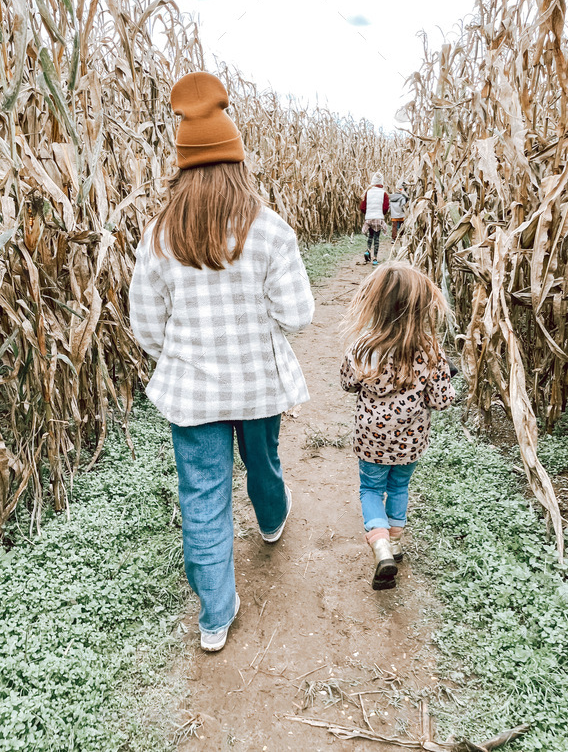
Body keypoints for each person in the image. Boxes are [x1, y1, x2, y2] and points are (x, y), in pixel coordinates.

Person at [129, 72, 314, 652]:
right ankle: (271, 519)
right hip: (257, 385)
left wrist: (183, 357)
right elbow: (299, 315)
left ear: (182, 167)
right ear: (237, 161)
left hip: (191, 396)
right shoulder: (269, 228)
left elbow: (145, 326)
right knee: (262, 460)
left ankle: (215, 618)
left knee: (202, 498)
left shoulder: (160, 234)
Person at [340, 262, 455, 590]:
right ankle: (396, 542)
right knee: (399, 488)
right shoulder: (432, 352)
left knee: (371, 489)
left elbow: (348, 383)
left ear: (374, 304)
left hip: (371, 440)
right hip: (410, 443)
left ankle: (380, 548)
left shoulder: (364, 347)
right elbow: (440, 400)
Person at [360, 172, 389, 265]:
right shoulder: (384, 193)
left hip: (369, 218)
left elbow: (362, 207)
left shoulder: (367, 192)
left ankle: (367, 250)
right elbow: (385, 208)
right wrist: (381, 214)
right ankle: (375, 259)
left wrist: (368, 214)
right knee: (376, 239)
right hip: (378, 218)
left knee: (370, 236)